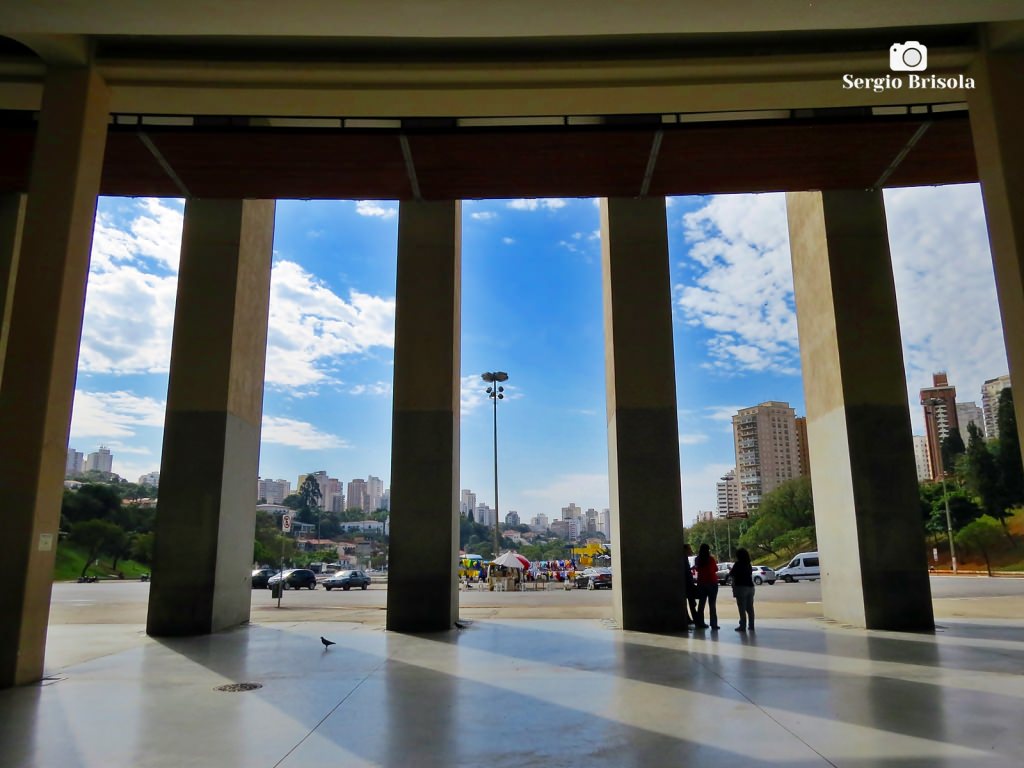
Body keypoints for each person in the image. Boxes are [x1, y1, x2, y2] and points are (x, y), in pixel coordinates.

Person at [694, 543, 719, 630]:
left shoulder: (697, 559)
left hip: (701, 583)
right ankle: (714, 624)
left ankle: (700, 622)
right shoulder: (711, 559)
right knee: (712, 604)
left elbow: (697, 569)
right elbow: (715, 569)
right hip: (712, 582)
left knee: (701, 604)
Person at [729, 548, 755, 632]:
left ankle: (742, 625)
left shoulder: (737, 564)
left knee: (742, 608)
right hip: (750, 587)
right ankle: (751, 625)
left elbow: (731, 574)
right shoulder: (748, 564)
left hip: (741, 587)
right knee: (750, 608)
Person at [682, 544, 698, 628]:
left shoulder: (684, 559)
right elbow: (687, 573)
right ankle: (695, 619)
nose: (691, 551)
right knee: (692, 603)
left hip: (687, 584)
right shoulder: (684, 559)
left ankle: (689, 618)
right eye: (689, 549)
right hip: (688, 585)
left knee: (691, 603)